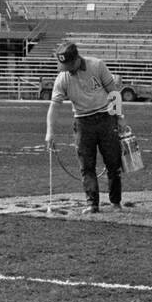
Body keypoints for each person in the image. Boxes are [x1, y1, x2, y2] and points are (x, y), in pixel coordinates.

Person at [45, 41, 124, 214]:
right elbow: (54, 106)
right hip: (82, 122)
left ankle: (116, 202)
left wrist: (119, 117)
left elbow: (113, 92)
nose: (66, 69)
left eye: (68, 65)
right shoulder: (62, 78)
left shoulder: (97, 66)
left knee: (113, 163)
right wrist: (50, 131)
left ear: (76, 59)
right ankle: (92, 204)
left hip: (106, 118)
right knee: (86, 166)